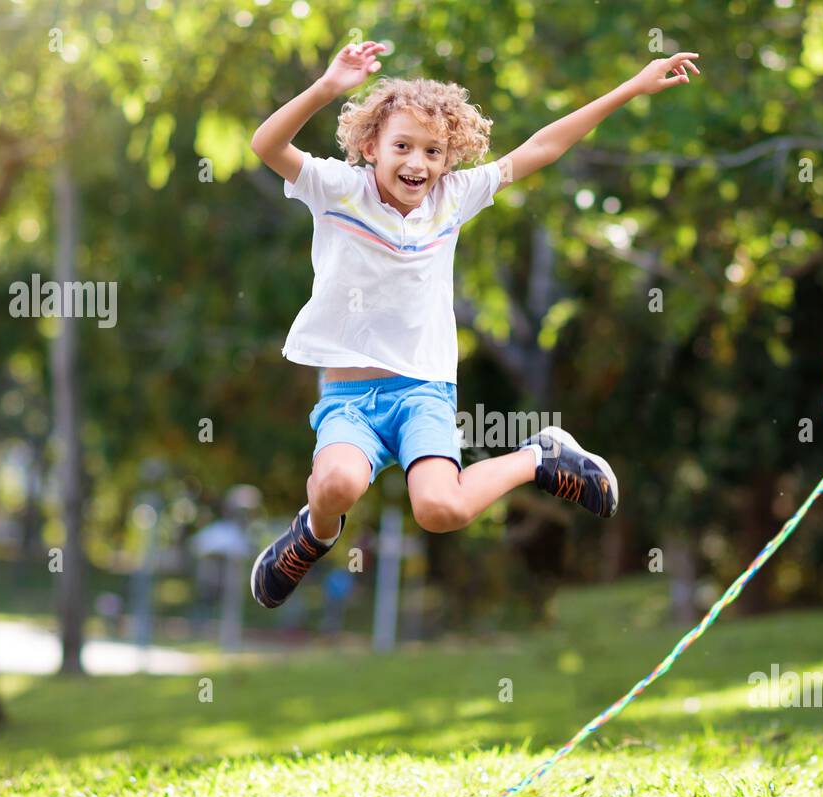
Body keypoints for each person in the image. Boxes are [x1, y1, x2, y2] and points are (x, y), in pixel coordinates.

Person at [249, 40, 700, 609]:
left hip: (423, 391)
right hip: (350, 397)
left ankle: (540, 458)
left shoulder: (453, 198)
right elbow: (266, 145)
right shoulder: (338, 189)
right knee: (338, 486)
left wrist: (632, 86)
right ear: (371, 146)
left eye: (434, 151)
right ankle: (314, 533)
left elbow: (544, 145)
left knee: (442, 510)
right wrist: (326, 88)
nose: (418, 163)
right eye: (403, 147)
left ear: (450, 157)